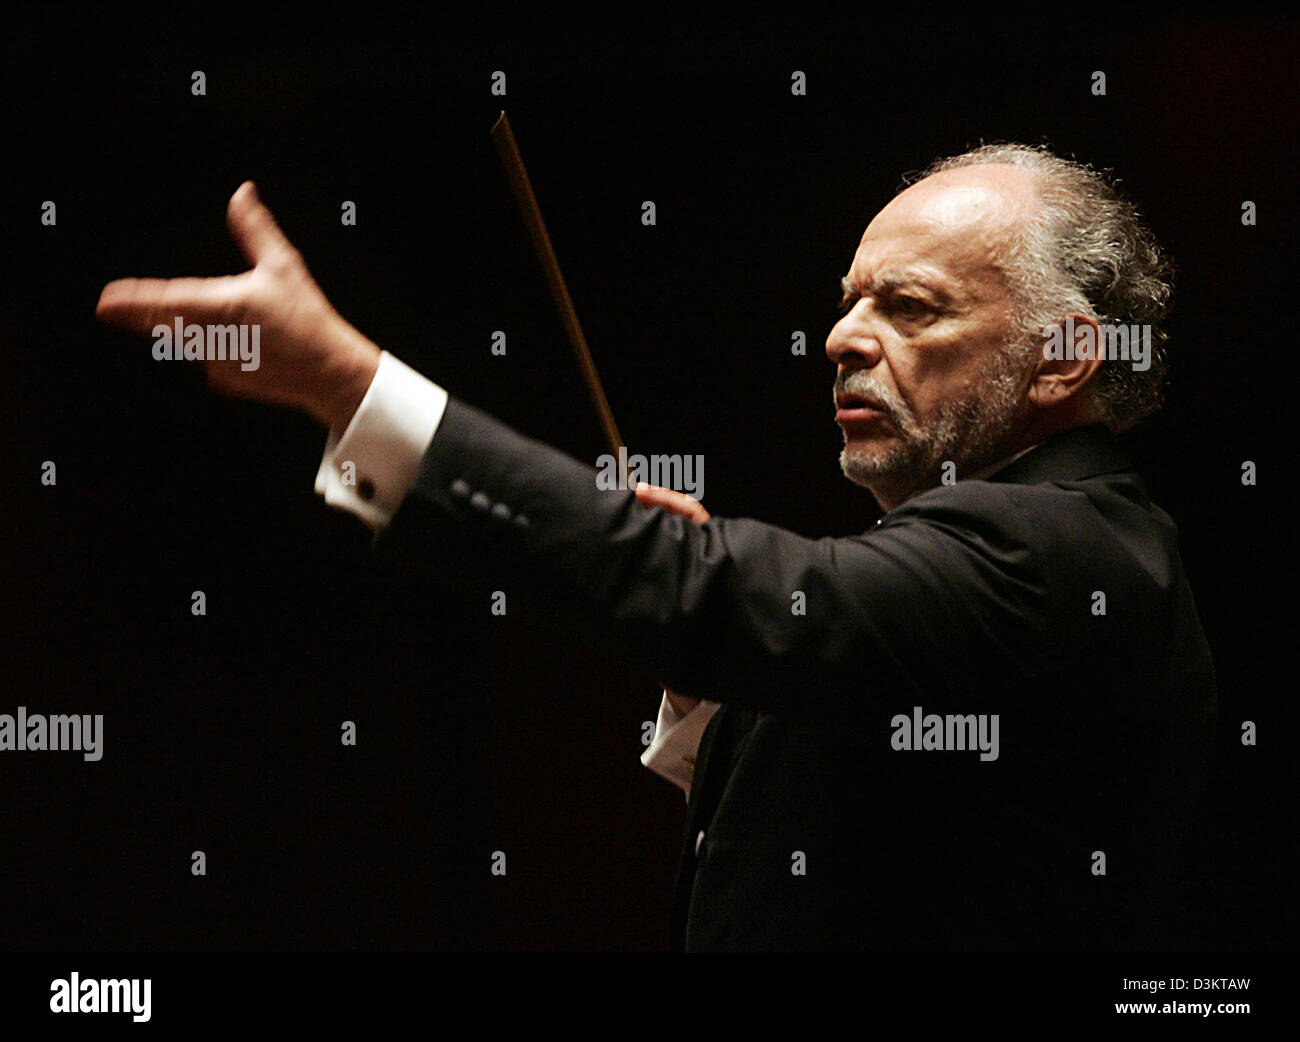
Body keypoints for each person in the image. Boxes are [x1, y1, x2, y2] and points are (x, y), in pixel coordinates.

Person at [96, 143, 1217, 952]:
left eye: (910, 307)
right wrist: (707, 672)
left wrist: (346, 382)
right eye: (848, 301)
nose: (840, 336)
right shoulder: (1027, 549)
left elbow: (727, 596)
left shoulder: (1056, 543)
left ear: (1066, 355)